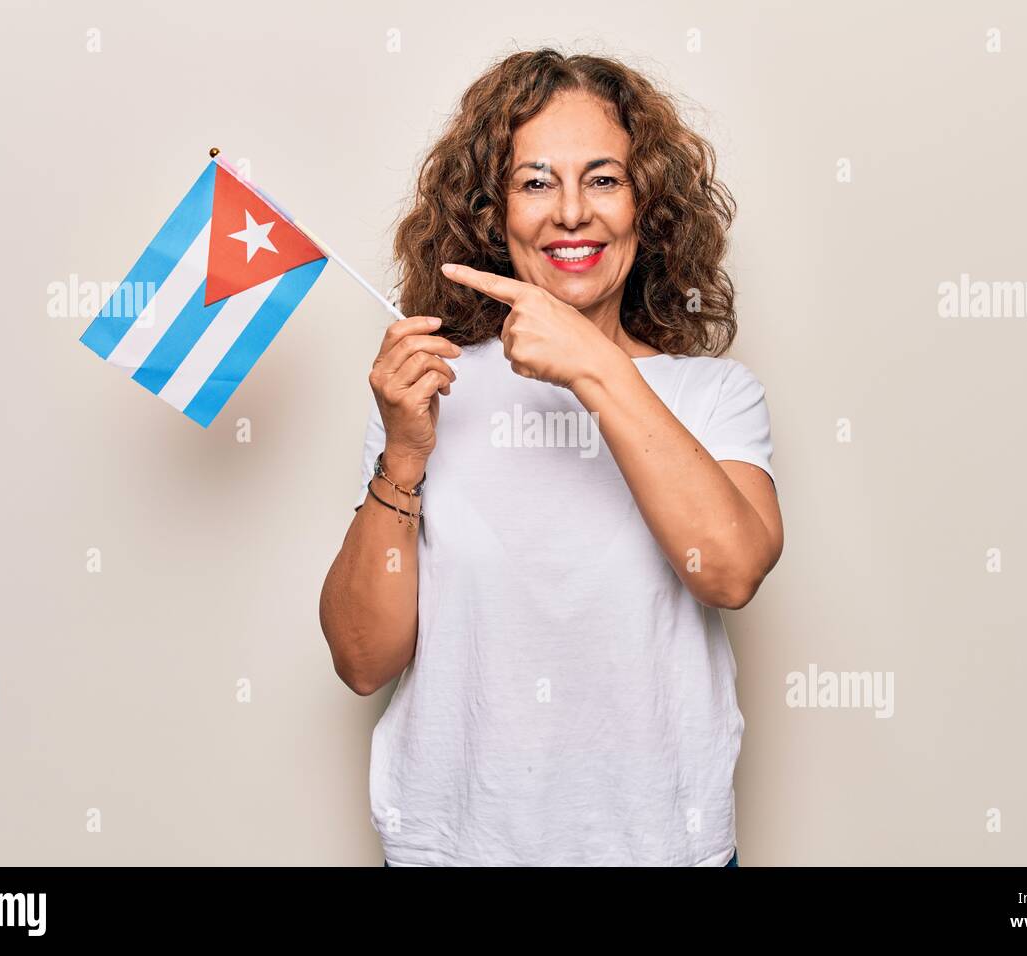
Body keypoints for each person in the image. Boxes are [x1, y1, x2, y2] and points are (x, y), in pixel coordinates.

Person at [319, 48, 783, 866]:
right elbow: (362, 661)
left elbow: (732, 571)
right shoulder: (431, 391)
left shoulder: (714, 395)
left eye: (603, 179)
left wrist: (594, 363)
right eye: (536, 182)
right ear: (494, 214)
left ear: (648, 204)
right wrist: (401, 458)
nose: (572, 211)